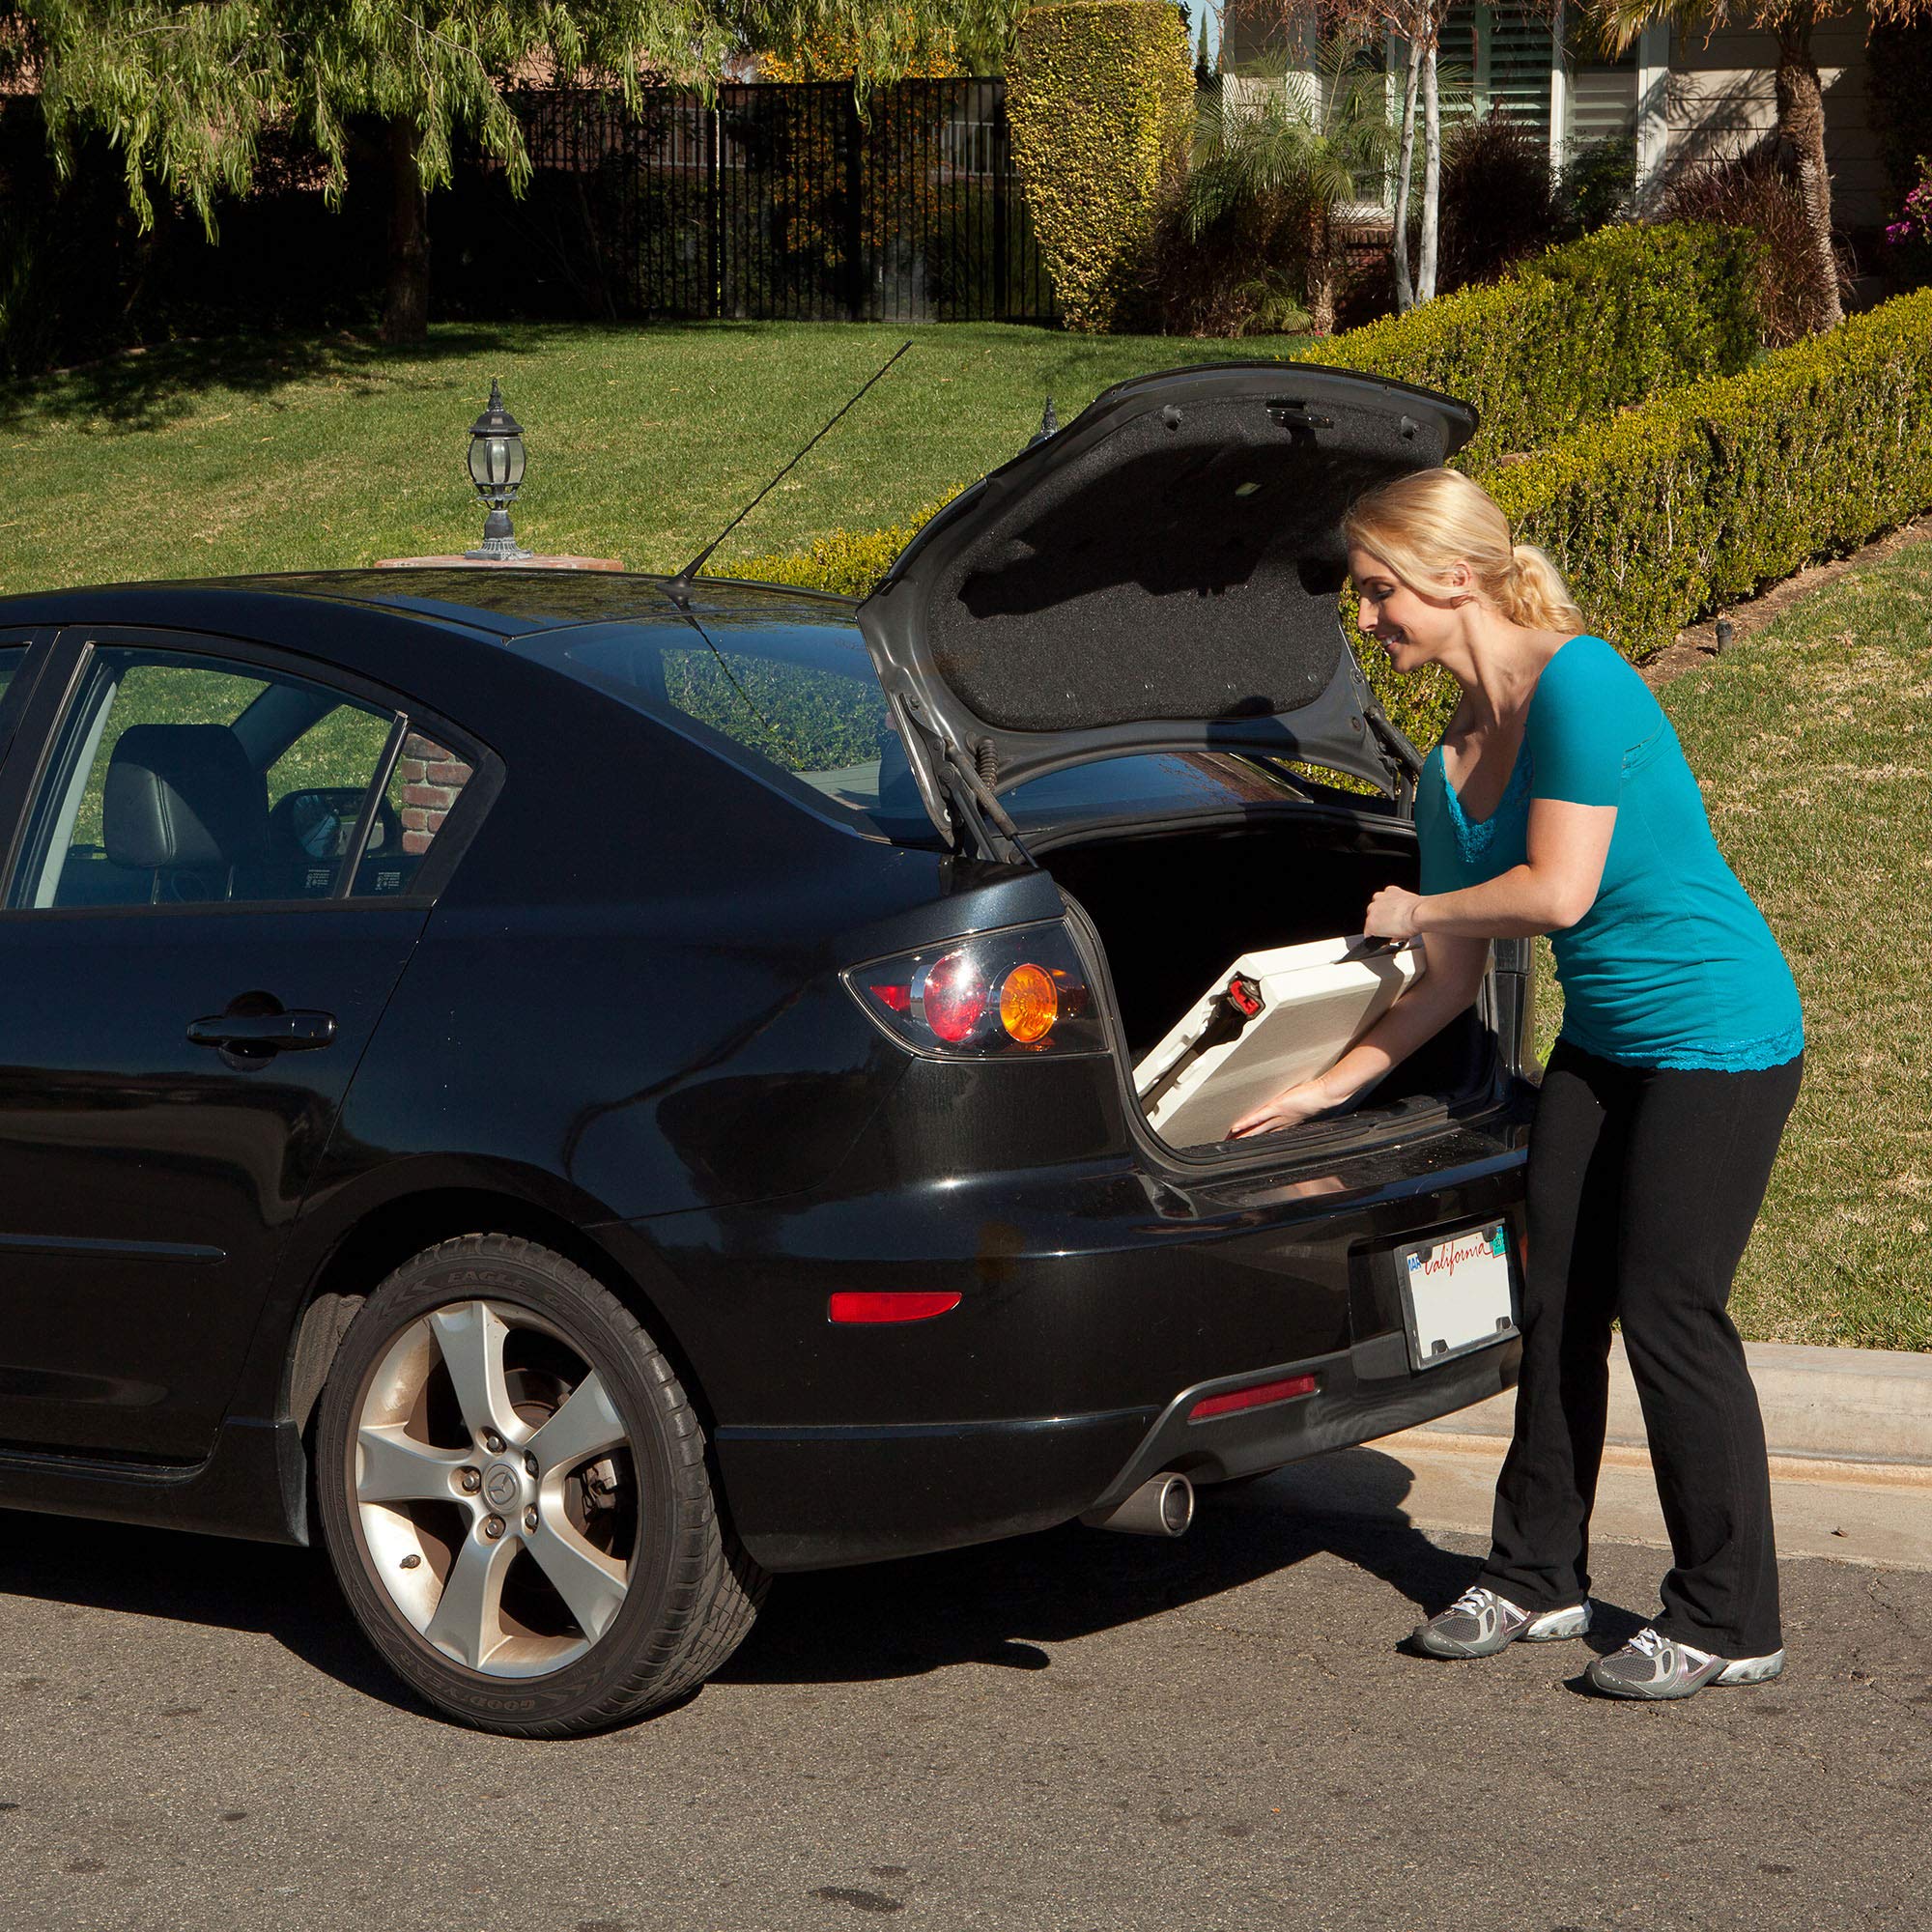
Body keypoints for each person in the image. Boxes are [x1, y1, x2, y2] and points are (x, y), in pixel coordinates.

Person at [1227, 466, 1805, 1701]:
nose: (1366, 619)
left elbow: (1557, 891)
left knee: (1665, 1306)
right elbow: (1439, 983)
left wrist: (1420, 899)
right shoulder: (1445, 764)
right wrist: (1319, 1090)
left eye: (1378, 591)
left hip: (1718, 1030)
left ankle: (1727, 1611)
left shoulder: (1579, 681)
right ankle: (1536, 1571)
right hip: (1603, 1041)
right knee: (1549, 1298)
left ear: (1451, 575)